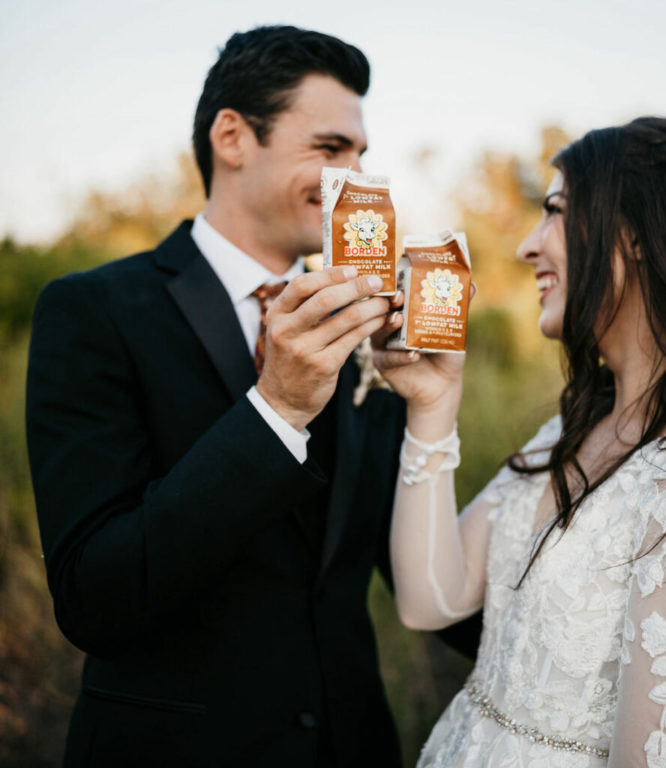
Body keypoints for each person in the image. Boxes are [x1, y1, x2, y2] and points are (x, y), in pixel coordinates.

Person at [25, 24, 449, 767]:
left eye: (361, 156)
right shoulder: (95, 311)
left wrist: (431, 412)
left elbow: (415, 571)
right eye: (329, 149)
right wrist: (277, 409)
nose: (357, 178)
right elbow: (95, 596)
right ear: (232, 137)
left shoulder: (366, 317)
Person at [379, 117, 666, 766]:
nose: (528, 247)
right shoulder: (571, 429)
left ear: (636, 235)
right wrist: (432, 404)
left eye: (556, 212)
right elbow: (430, 600)